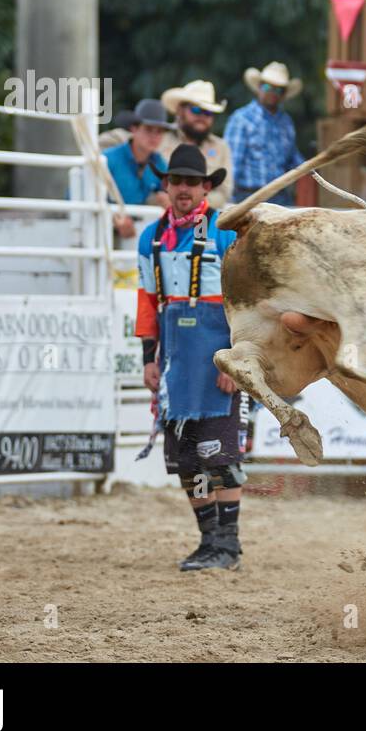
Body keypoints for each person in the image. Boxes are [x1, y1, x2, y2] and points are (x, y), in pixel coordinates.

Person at [136, 144, 247, 570]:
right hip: (176, 362)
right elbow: (148, 302)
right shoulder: (152, 237)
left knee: (221, 453)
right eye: (176, 181)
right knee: (187, 457)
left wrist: (235, 360)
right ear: (166, 185)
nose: (183, 189)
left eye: (191, 182)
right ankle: (209, 541)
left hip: (218, 356)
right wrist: (149, 358)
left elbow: (245, 300)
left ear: (205, 187)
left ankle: (229, 544)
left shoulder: (224, 231)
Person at [225, 62, 307, 207]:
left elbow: (293, 159)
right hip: (247, 197)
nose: (272, 93)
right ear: (258, 88)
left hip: (281, 198)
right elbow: (232, 165)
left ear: (284, 95)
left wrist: (312, 169)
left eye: (279, 90)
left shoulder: (286, 122)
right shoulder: (242, 119)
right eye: (268, 87)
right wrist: (227, 201)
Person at [159, 80, 234, 210]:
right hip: (158, 216)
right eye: (196, 109)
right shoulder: (160, 138)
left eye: (208, 112)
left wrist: (193, 202)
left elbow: (224, 191)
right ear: (180, 110)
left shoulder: (221, 147)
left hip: (204, 219)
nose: (202, 117)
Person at [103, 99, 171, 239]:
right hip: (102, 230)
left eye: (159, 132)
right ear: (133, 129)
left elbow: (170, 193)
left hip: (134, 231)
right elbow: (88, 197)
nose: (154, 136)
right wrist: (113, 218)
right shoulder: (108, 159)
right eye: (148, 129)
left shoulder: (160, 164)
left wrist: (169, 201)